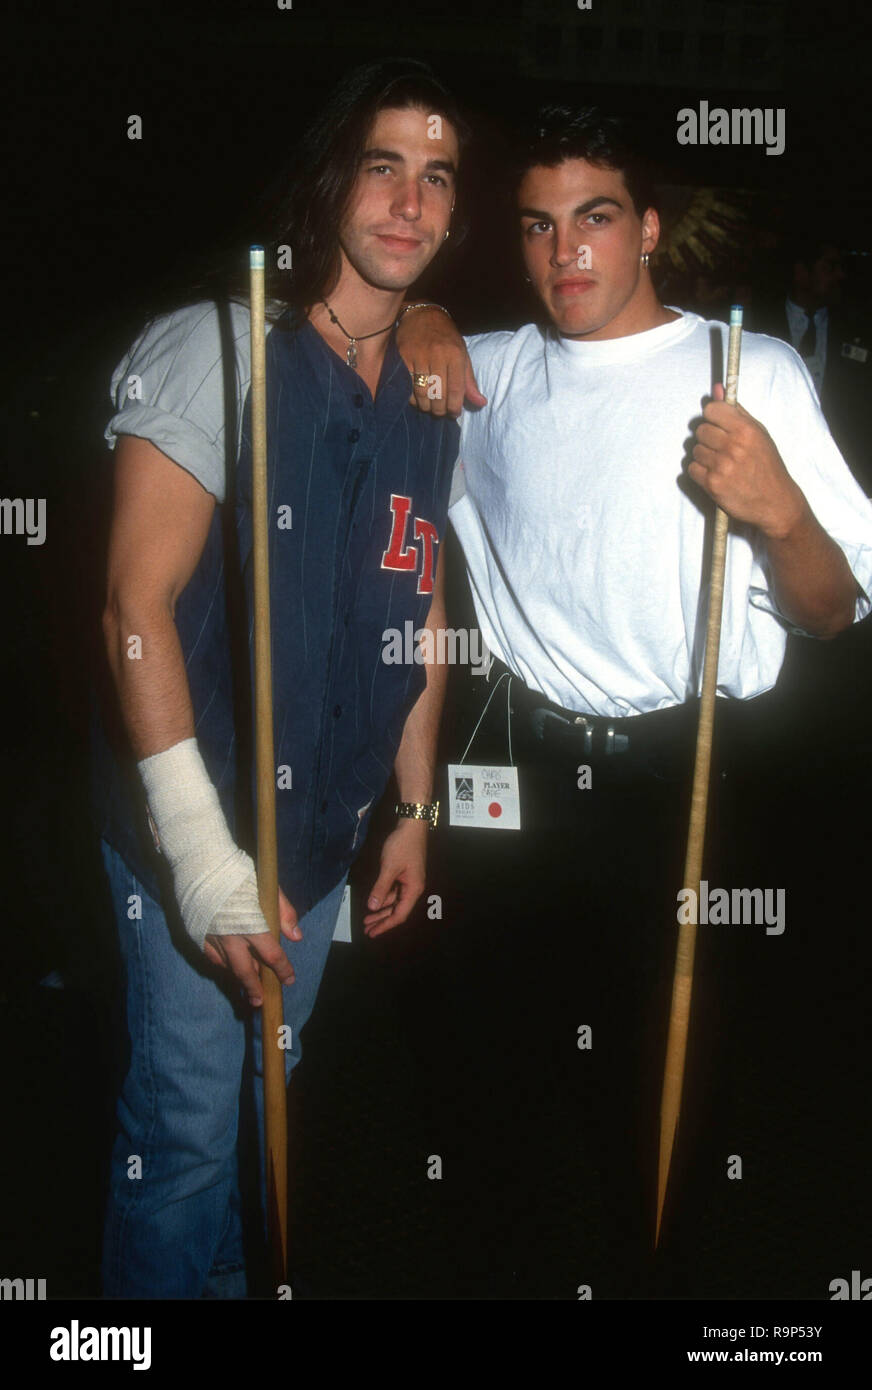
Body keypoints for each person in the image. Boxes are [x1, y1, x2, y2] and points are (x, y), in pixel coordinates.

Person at [394, 106, 872, 1296]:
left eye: (594, 220)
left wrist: (779, 513)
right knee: (496, 1081)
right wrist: (423, 312)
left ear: (647, 228)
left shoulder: (743, 369)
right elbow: (399, 334)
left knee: (663, 1101)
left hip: (681, 777)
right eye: (539, 226)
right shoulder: (490, 372)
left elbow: (830, 608)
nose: (566, 252)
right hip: (515, 776)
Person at [93, 58, 469, 1299]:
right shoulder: (212, 344)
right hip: (193, 824)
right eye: (381, 168)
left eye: (435, 178)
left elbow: (410, 601)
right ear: (330, 181)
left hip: (321, 839)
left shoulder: (430, 385)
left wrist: (413, 809)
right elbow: (132, 609)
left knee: (274, 1109)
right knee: (192, 1133)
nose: (409, 202)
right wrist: (204, 863)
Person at [756, 236, 872, 493]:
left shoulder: (857, 327)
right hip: (772, 465)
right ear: (802, 272)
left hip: (840, 471)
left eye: (841, 267)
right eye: (829, 267)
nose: (840, 275)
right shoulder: (758, 324)